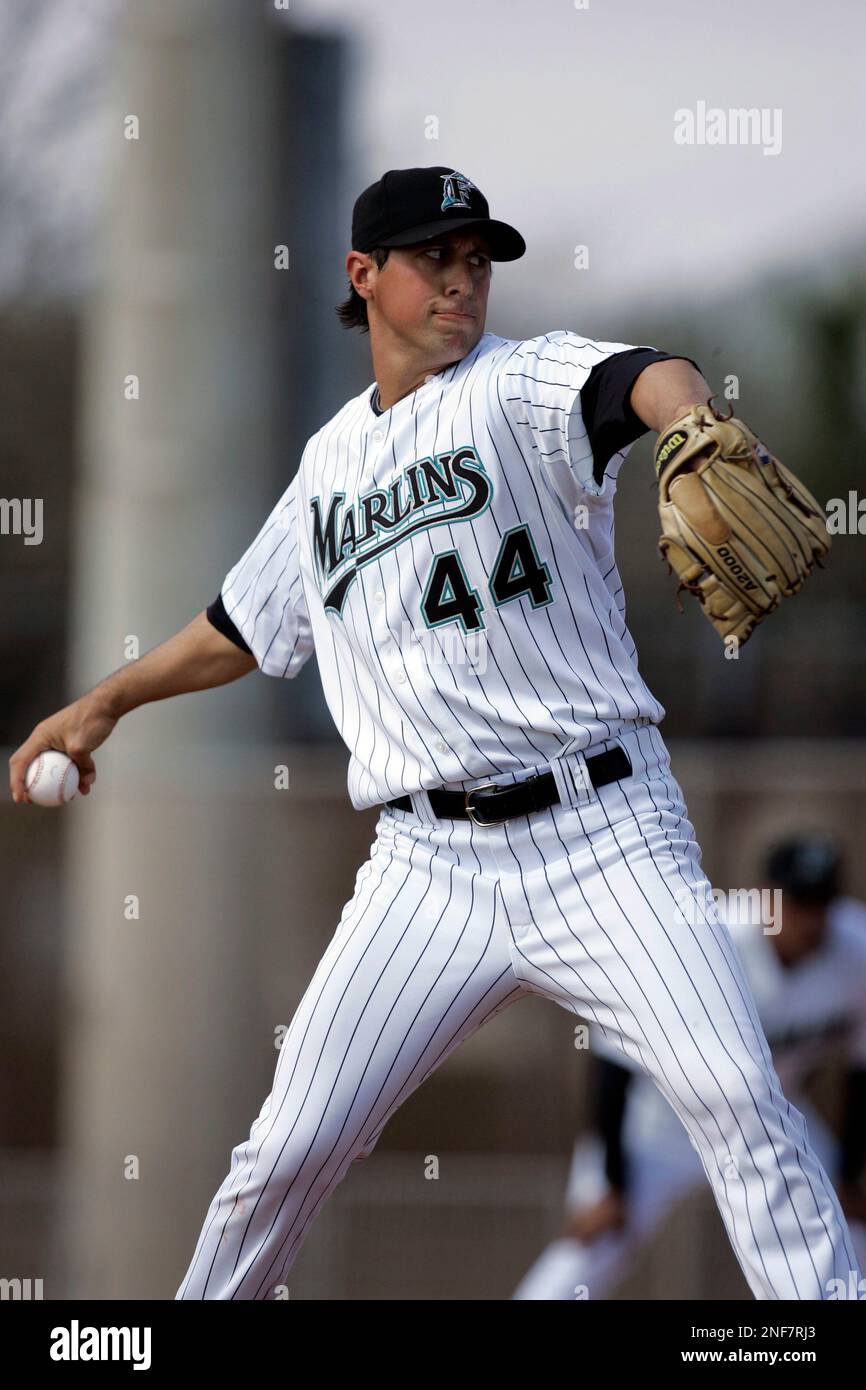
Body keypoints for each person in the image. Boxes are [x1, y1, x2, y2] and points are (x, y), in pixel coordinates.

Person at [10, 166, 862, 1301]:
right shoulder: (327, 466)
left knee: (738, 1097)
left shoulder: (514, 385)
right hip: (425, 869)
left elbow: (635, 375)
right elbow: (240, 624)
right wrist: (106, 699)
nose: (463, 278)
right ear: (363, 276)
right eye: (434, 257)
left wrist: (689, 422)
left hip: (602, 831)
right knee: (286, 1152)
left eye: (476, 258)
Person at [513, 833, 866, 1299]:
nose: (809, 918)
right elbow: (612, 1058)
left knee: (847, 1230)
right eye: (797, 902)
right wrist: (612, 1182)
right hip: (657, 1121)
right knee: (597, 1243)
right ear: (767, 897)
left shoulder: (855, 951)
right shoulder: (715, 938)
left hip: (768, 1118)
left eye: (820, 903)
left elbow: (861, 1076)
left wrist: (845, 1176)